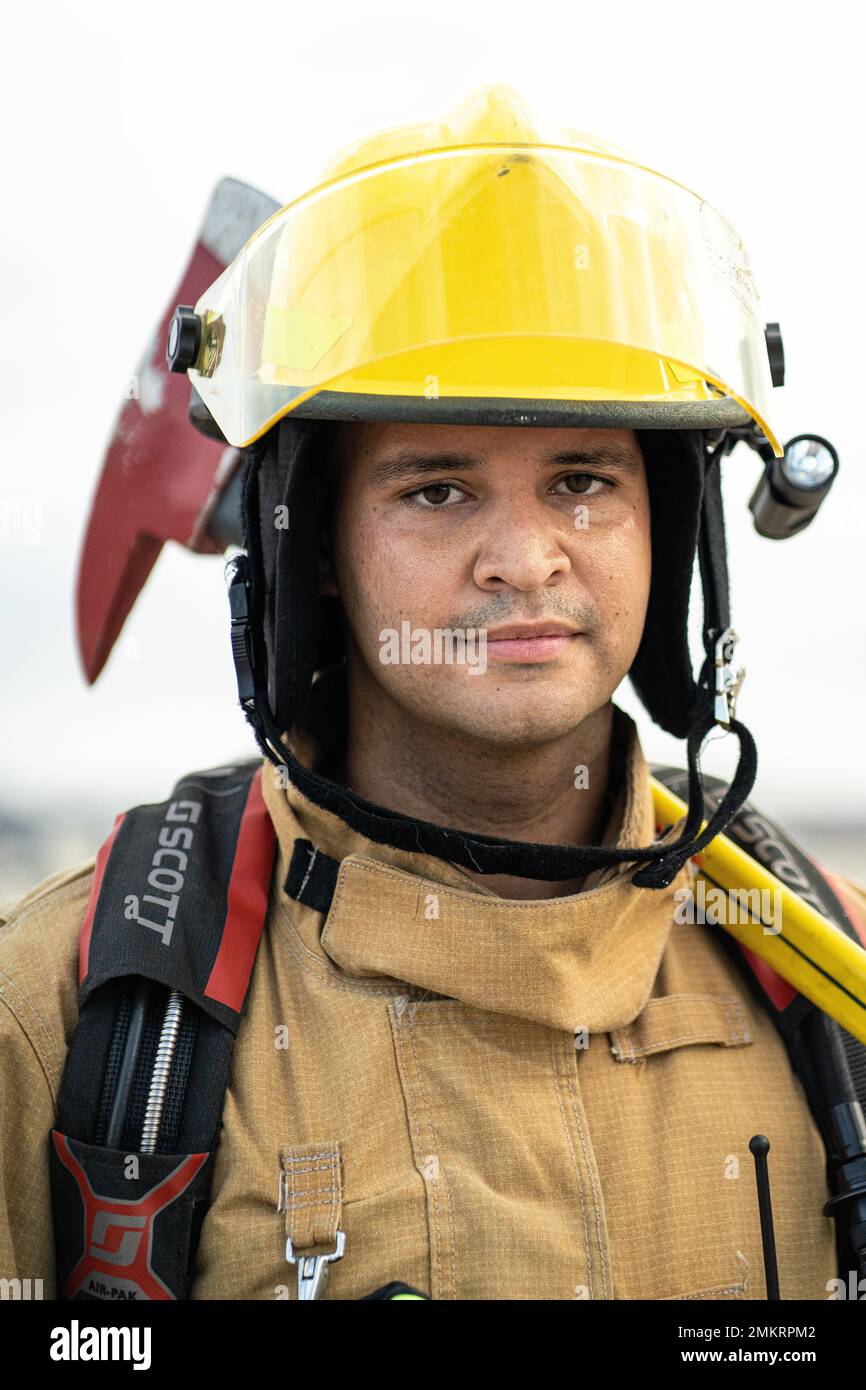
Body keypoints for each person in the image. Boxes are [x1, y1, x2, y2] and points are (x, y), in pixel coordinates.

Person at [1, 84, 864, 1302]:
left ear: (665, 531)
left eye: (581, 478)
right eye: (437, 489)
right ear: (319, 560)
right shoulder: (67, 1012)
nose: (525, 557)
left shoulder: (825, 969)